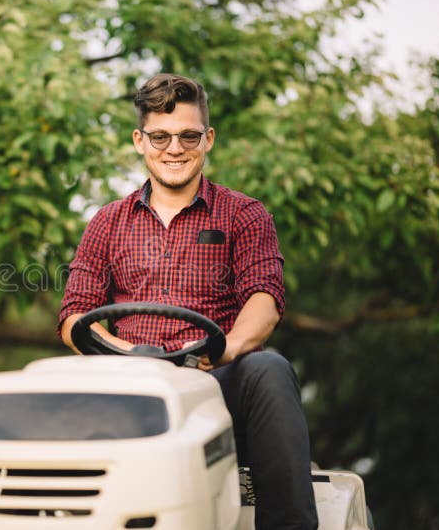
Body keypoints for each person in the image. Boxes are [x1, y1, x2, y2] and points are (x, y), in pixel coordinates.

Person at [57, 73, 318, 529]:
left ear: (208, 138)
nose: (174, 148)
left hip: (214, 379)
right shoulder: (107, 222)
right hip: (129, 385)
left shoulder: (245, 214)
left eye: (188, 136)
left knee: (269, 369)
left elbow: (265, 297)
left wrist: (227, 349)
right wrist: (122, 355)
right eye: (160, 136)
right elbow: (74, 315)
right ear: (140, 140)